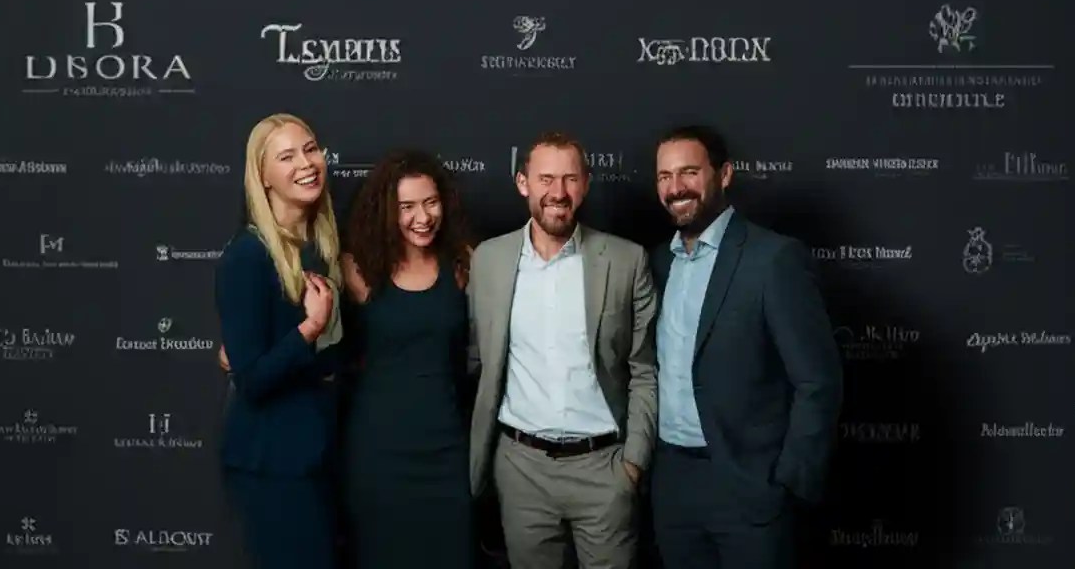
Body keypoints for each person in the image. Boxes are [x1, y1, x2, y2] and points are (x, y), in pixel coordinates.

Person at [648, 125, 843, 569]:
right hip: (672, 484)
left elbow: (818, 380)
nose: (675, 187)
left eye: (689, 172)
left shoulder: (773, 259)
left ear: (725, 174)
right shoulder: (657, 262)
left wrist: (787, 481)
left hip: (748, 483)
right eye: (664, 176)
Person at [467, 131, 659, 569]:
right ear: (523, 183)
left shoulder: (627, 261)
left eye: (570, 179)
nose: (558, 192)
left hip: (605, 469)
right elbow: (476, 360)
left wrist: (632, 464)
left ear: (586, 184)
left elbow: (645, 369)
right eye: (546, 179)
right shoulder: (488, 260)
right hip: (521, 472)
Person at [214, 113, 346, 569]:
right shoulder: (247, 256)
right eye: (286, 156)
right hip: (271, 464)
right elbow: (251, 381)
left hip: (317, 455)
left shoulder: (319, 246)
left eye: (310, 149)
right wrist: (308, 328)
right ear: (263, 176)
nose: (306, 163)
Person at [338, 149, 476, 569]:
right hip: (379, 449)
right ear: (386, 211)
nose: (423, 216)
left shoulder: (464, 263)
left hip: (448, 447)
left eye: (430, 202)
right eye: (407, 206)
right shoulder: (355, 268)